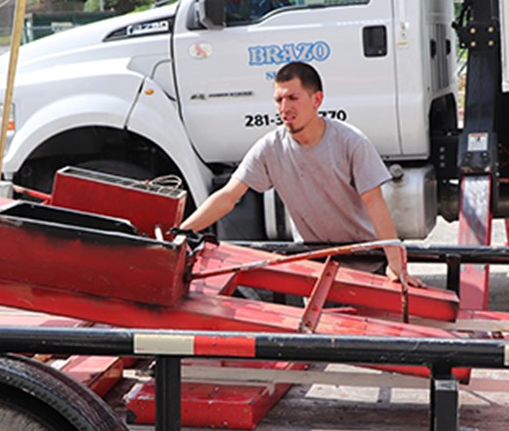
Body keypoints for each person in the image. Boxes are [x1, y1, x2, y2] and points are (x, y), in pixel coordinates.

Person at [175, 61, 420, 285]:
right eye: (279, 100)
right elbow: (229, 196)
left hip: (366, 266)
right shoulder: (270, 148)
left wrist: (396, 263)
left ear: (317, 100)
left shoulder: (351, 142)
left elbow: (375, 203)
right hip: (314, 267)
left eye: (293, 97)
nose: (285, 107)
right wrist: (179, 233)